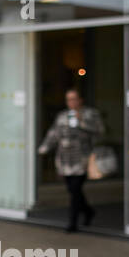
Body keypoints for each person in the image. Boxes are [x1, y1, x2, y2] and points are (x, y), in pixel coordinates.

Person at [38, 88, 104, 232]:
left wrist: (82, 122)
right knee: (72, 189)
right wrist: (44, 148)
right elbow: (53, 134)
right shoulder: (62, 116)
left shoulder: (90, 114)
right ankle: (88, 212)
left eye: (74, 98)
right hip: (65, 160)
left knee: (75, 189)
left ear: (80, 100)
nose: (71, 102)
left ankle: (72, 222)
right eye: (68, 99)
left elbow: (100, 131)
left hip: (82, 159)